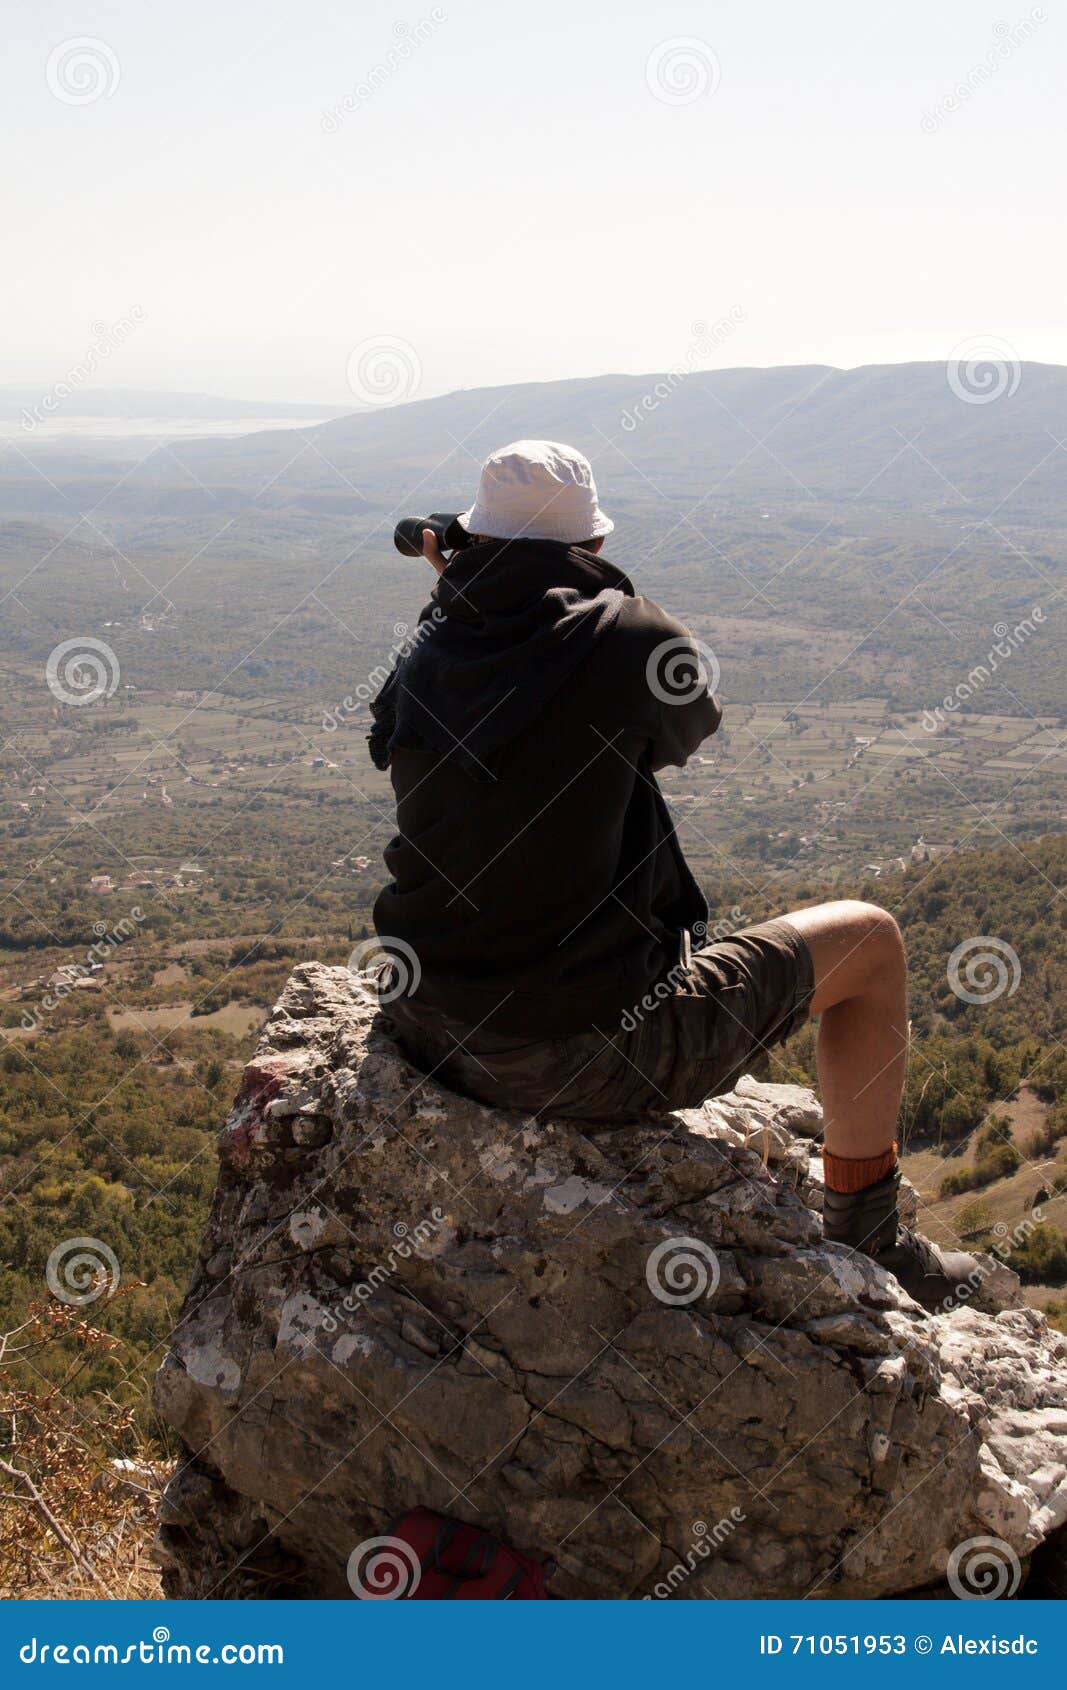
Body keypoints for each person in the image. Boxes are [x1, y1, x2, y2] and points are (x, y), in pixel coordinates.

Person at [368, 439, 980, 1311]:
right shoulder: (626, 634)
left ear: (467, 543)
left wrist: (456, 588)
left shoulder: (430, 647)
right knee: (872, 943)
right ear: (594, 547)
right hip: (577, 1055)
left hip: (422, 1021)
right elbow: (686, 725)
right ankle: (867, 1233)